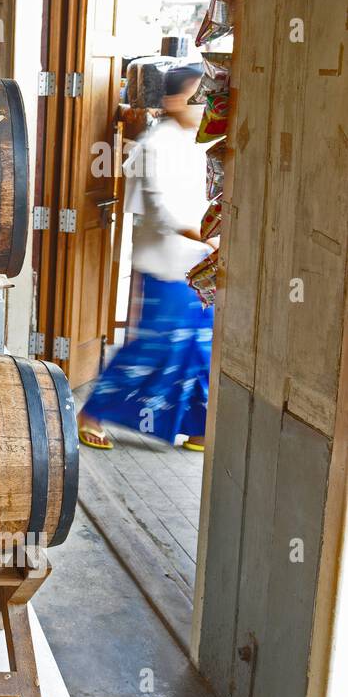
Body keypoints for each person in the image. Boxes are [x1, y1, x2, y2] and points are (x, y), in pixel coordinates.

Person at [79, 62, 214, 452]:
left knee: (200, 348)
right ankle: (91, 414)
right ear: (173, 101)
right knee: (154, 348)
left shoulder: (204, 145)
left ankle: (200, 426)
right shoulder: (156, 146)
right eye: (195, 98)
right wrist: (211, 238)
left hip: (200, 265)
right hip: (165, 266)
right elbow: (163, 210)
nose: (202, 107)